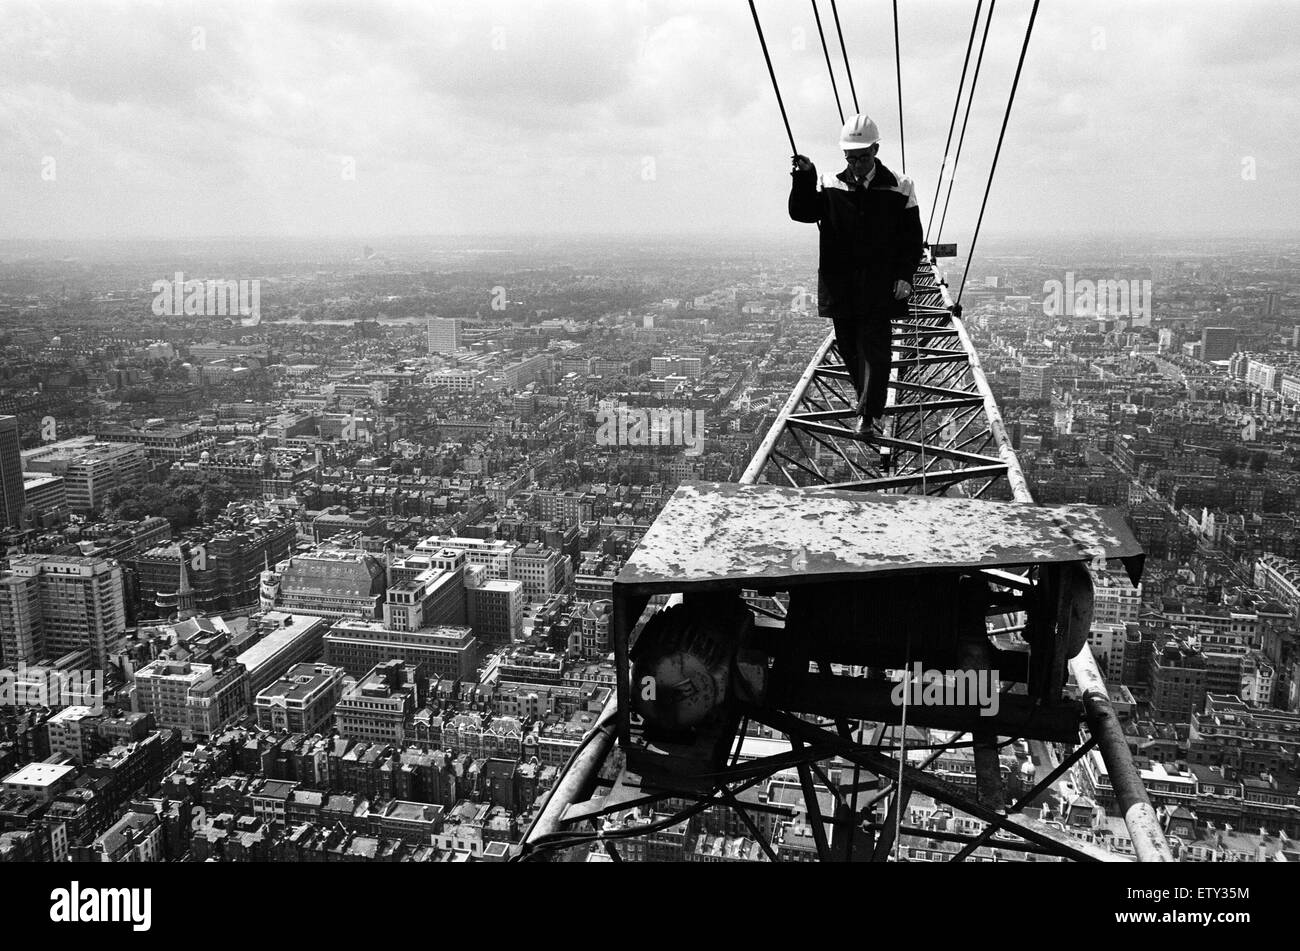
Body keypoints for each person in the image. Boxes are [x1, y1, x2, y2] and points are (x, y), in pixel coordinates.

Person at [788, 113, 923, 438]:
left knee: (875, 349)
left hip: (879, 284)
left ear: (876, 149)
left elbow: (912, 236)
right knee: (850, 348)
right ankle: (868, 407)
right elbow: (802, 212)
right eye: (852, 157)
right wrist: (803, 178)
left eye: (863, 157)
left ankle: (869, 415)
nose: (858, 164)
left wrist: (905, 275)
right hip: (841, 285)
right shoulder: (829, 183)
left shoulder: (900, 186)